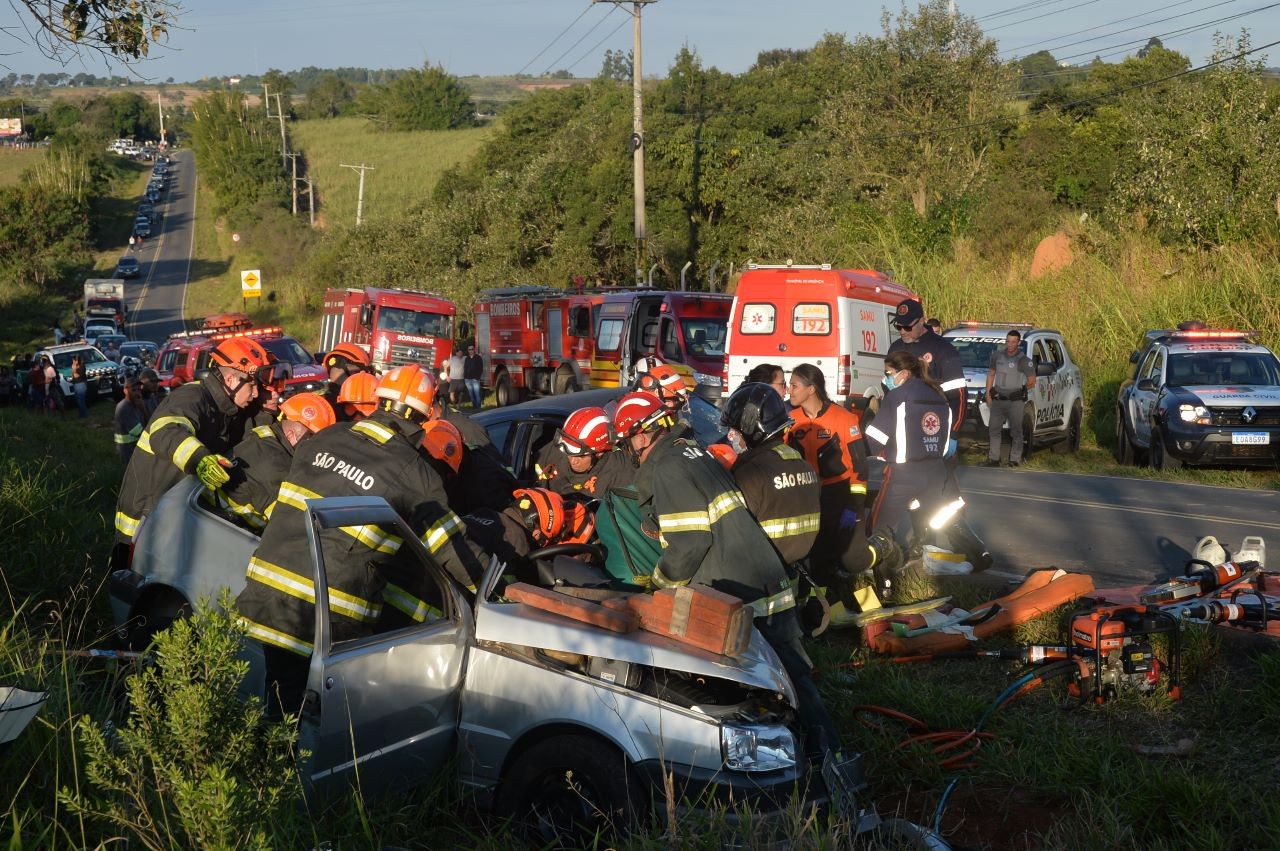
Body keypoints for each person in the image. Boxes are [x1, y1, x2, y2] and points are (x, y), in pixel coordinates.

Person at [235, 365, 487, 719]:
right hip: (326, 622)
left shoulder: (324, 438)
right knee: (309, 726)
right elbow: (453, 551)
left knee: (271, 704)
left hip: (265, 599)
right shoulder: (415, 474)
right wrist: (496, 588)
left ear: (379, 399)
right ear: (428, 415)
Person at [611, 390, 841, 761]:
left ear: (640, 435)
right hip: (766, 585)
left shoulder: (669, 467)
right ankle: (825, 756)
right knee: (793, 685)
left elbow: (689, 544)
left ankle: (804, 766)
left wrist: (657, 588)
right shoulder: (692, 452)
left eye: (626, 443)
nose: (628, 452)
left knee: (755, 693)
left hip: (739, 598)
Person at [113, 337, 272, 564]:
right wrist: (200, 460)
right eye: (252, 385)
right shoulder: (192, 397)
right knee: (136, 587)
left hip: (174, 515)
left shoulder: (227, 409)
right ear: (230, 378)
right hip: (143, 518)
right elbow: (166, 430)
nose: (256, 393)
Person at [887, 298, 991, 569]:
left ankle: (971, 548)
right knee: (912, 497)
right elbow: (891, 394)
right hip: (908, 437)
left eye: (908, 327)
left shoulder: (942, 350)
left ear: (922, 321)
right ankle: (921, 541)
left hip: (936, 433)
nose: (903, 332)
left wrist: (953, 435)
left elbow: (959, 396)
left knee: (946, 500)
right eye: (899, 327)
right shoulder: (897, 348)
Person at [787, 364, 888, 622]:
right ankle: (820, 612)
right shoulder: (791, 421)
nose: (790, 390)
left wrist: (853, 506)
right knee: (815, 559)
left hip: (841, 496)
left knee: (853, 560)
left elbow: (861, 469)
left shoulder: (844, 420)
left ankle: (883, 547)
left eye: (794, 385)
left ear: (811, 388)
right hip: (809, 497)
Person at [865, 351, 959, 553]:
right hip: (935, 471)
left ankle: (877, 570)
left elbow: (875, 438)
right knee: (933, 521)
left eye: (889, 373)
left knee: (880, 526)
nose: (887, 378)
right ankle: (937, 553)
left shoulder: (897, 396)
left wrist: (856, 455)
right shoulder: (938, 395)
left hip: (902, 473)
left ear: (904, 374)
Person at [210, 393, 336, 531]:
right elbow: (290, 527)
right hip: (229, 532)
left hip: (218, 520)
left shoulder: (265, 437)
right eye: (311, 439)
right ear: (291, 436)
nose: (316, 448)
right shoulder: (278, 468)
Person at [535, 405, 635, 497]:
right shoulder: (552, 454)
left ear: (599, 452)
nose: (573, 461)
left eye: (580, 456)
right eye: (569, 453)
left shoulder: (620, 474)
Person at [984, 329, 1037, 467]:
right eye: (1008, 341)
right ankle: (994, 458)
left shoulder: (1024, 360)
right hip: (998, 399)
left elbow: (1032, 380)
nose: (1010, 344)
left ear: (1018, 342)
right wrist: (988, 394)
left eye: (1014, 342)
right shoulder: (997, 356)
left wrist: (1022, 389)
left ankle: (1014, 459)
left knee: (1016, 431)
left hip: (1015, 401)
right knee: (993, 429)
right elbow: (991, 374)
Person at [113, 377, 152, 465]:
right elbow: (142, 434)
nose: (137, 393)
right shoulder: (124, 408)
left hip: (135, 448)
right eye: (134, 390)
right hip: (128, 452)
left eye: (139, 390)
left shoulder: (136, 404)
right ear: (125, 391)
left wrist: (143, 408)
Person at [462, 343, 484, 409]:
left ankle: (478, 407)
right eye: (469, 349)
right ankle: (474, 406)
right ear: (468, 350)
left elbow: (481, 368)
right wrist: (465, 378)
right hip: (467, 380)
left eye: (472, 349)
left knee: (477, 393)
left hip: (475, 379)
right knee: (471, 394)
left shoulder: (478, 358)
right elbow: (465, 368)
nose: (470, 350)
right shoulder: (467, 358)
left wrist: (478, 377)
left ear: (474, 350)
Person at [70, 354, 89, 419]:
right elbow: (73, 376)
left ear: (77, 361)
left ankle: (83, 416)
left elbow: (76, 376)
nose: (72, 361)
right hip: (76, 384)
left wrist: (74, 369)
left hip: (80, 384)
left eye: (73, 360)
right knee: (79, 401)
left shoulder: (81, 366)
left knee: (81, 401)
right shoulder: (76, 366)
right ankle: (81, 415)